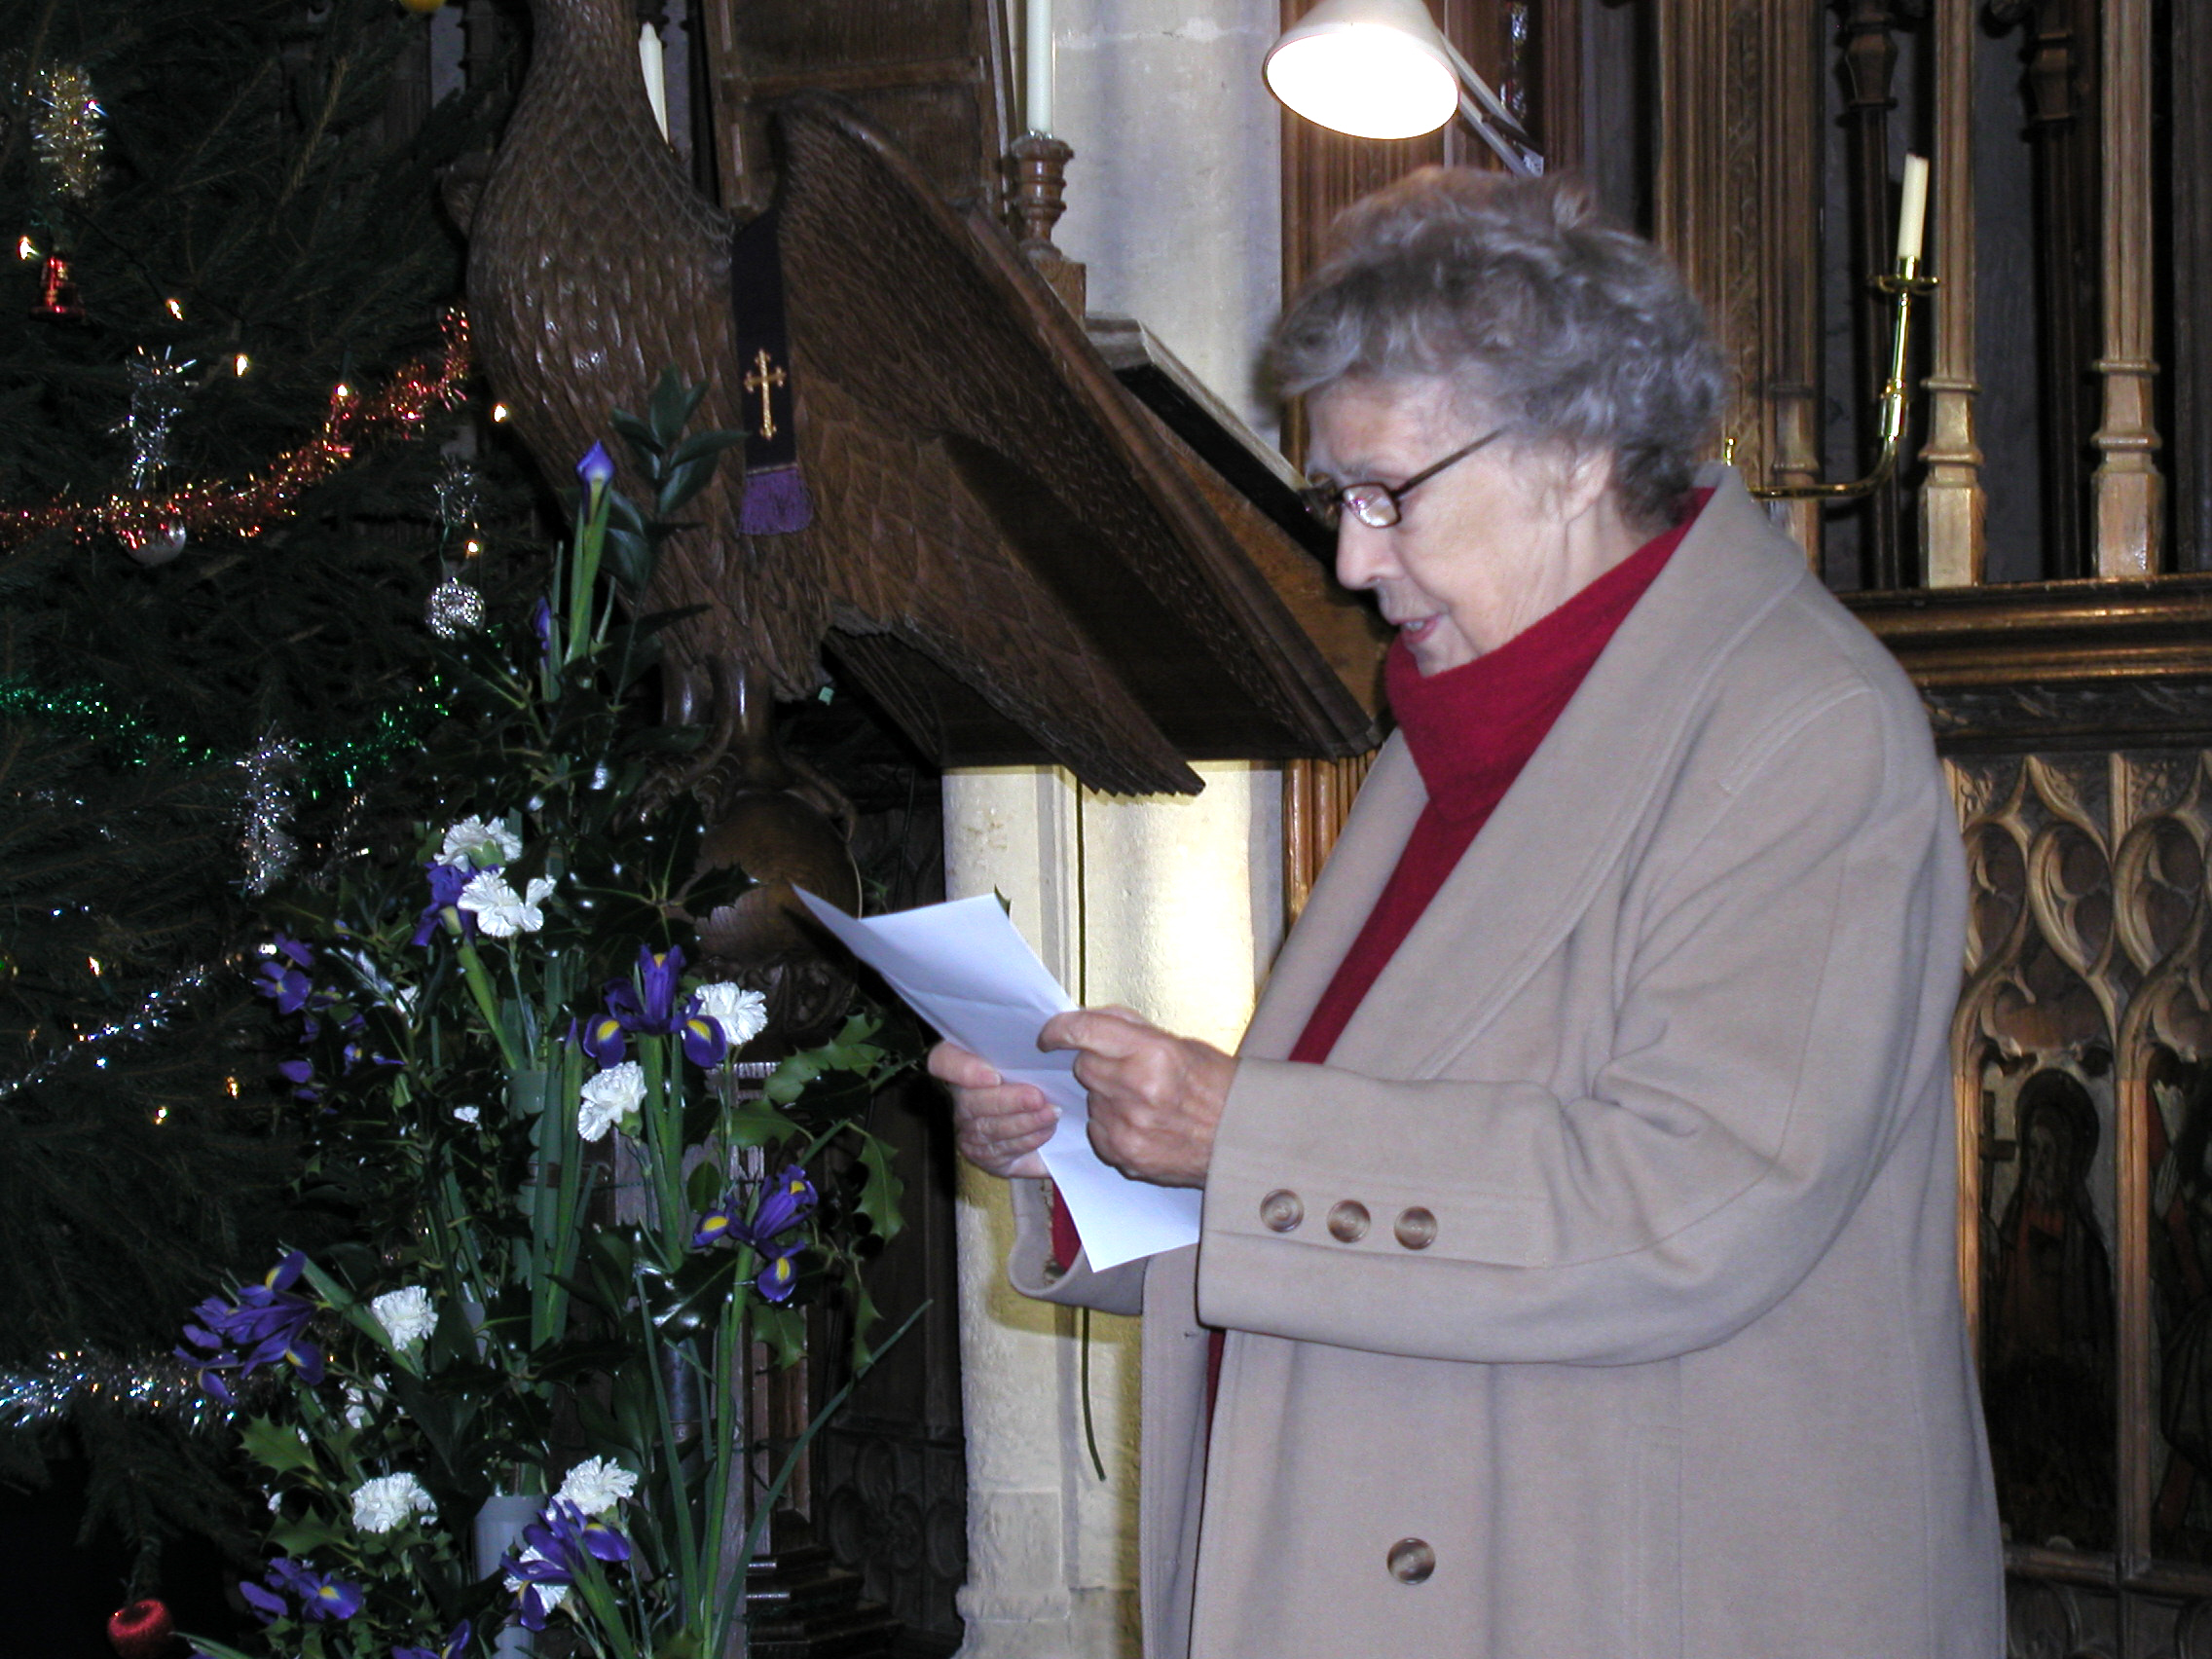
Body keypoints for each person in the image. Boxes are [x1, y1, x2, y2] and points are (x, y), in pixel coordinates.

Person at [931, 167, 2003, 1658]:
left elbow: (1701, 1200)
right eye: (1338, 499)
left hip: (1633, 1587)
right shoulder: (1463, 727)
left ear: (1570, 450)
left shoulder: (1798, 726)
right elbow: (1380, 1177)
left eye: (1388, 494)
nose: (1352, 561)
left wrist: (1242, 1128)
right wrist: (1105, 1149)